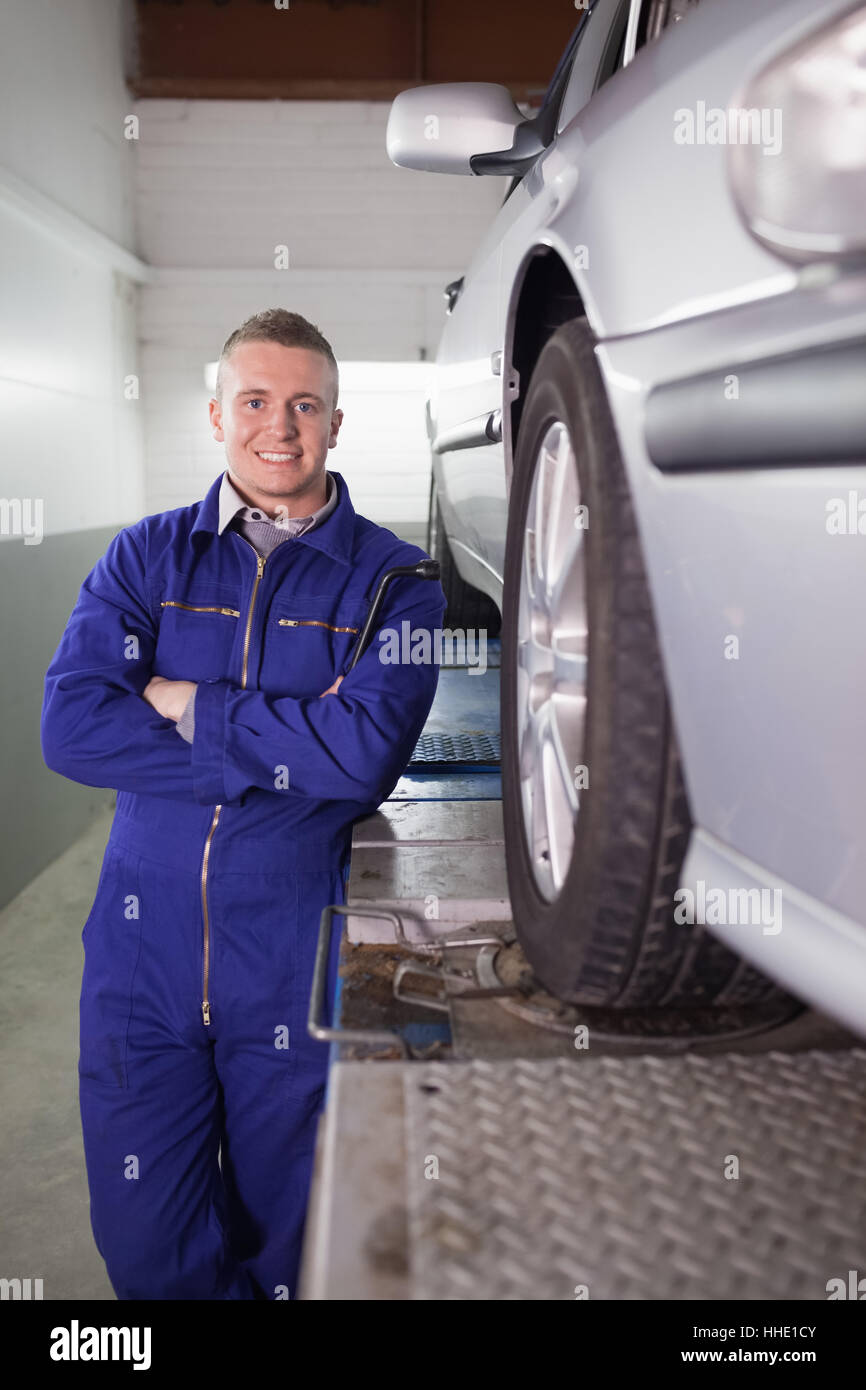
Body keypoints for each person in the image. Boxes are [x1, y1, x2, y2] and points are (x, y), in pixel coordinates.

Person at [41, 308, 446, 1299]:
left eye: (304, 403)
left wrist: (185, 704)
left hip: (295, 962)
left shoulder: (396, 585)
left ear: (336, 422)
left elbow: (363, 757)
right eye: (256, 400)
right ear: (218, 414)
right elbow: (72, 729)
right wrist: (287, 742)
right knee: (147, 1251)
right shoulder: (147, 558)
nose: (280, 425)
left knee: (297, 1252)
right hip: (142, 961)